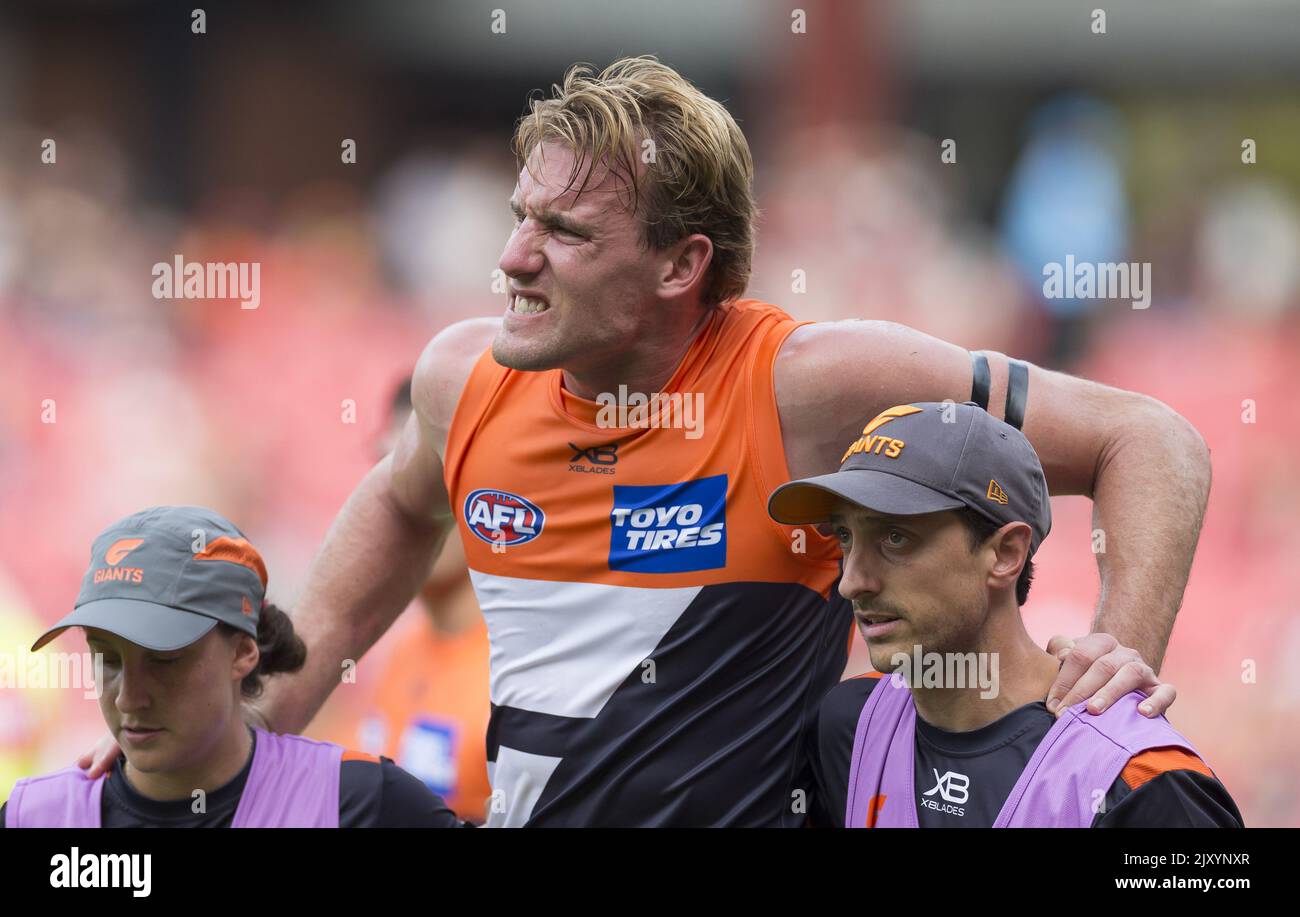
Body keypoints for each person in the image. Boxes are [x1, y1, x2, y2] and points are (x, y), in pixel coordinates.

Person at [84, 57, 1210, 827]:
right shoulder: (460, 379)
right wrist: (245, 724)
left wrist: (1121, 653)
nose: (514, 256)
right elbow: (396, 503)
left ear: (681, 266)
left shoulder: (809, 382)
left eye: (563, 232)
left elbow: (1148, 437)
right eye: (518, 217)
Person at [768, 402, 1241, 827]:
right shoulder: (848, 726)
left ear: (1006, 553)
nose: (852, 581)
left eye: (895, 538)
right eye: (845, 537)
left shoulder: (1144, 782)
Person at [4, 506, 463, 828]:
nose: (128, 697)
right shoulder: (34, 816)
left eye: (164, 660)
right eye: (107, 659)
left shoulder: (358, 801)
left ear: (243, 652)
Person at [314, 377, 492, 823]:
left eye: (430, 478)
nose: (407, 505)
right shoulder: (398, 654)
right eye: (387, 472)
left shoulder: (525, 676)